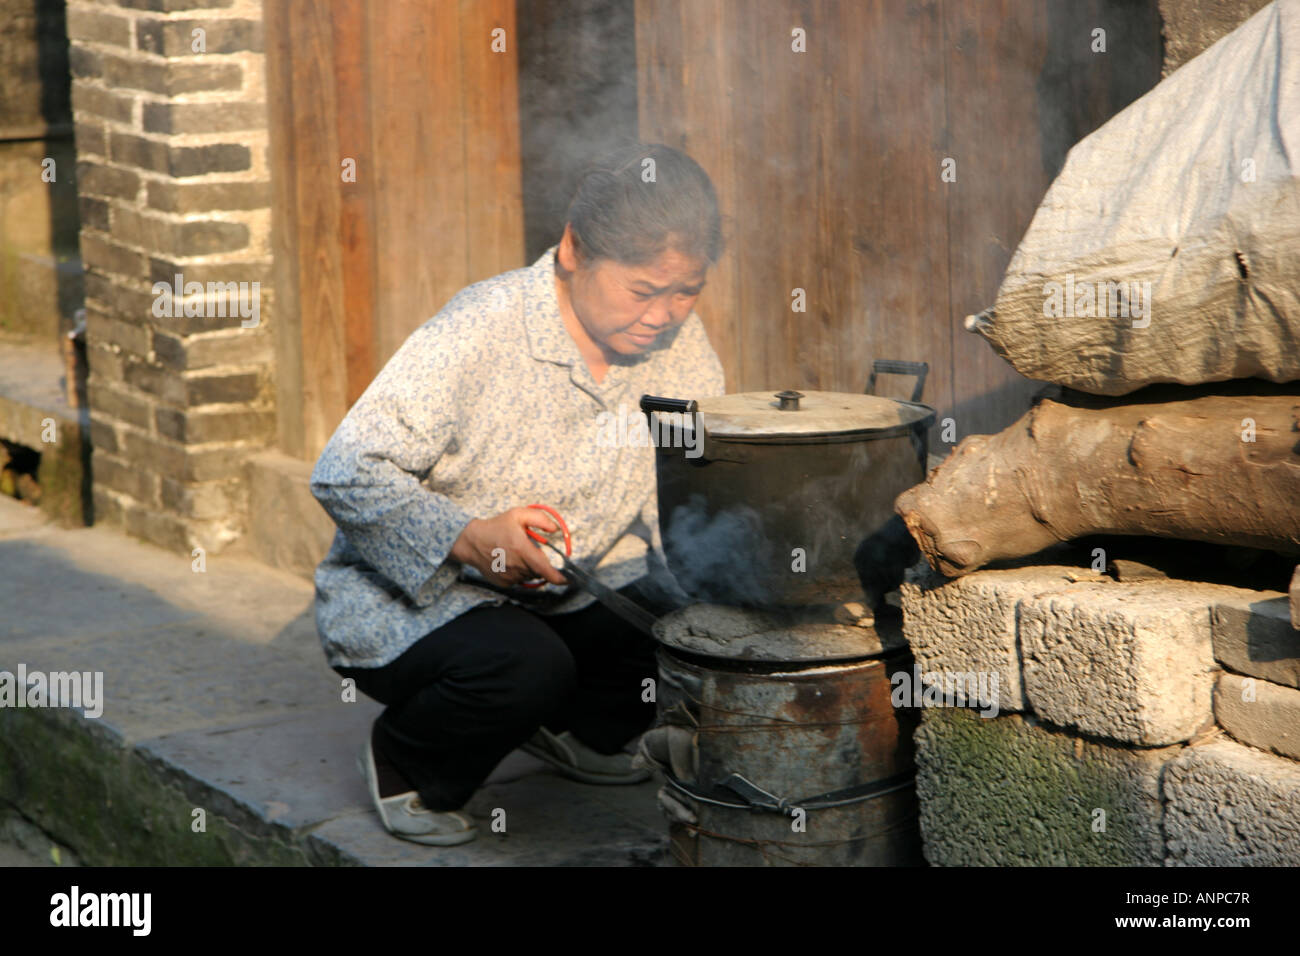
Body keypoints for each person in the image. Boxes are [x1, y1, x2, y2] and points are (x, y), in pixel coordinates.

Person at [309, 143, 726, 845]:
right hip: (423, 603)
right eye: (642, 291)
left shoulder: (678, 345)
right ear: (573, 249)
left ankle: (577, 733)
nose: (664, 315)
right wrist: (472, 538)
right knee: (524, 663)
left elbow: (689, 485)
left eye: (684, 292)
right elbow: (345, 470)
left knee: (682, 614)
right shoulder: (481, 325)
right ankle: (405, 765)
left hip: (574, 588)